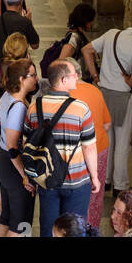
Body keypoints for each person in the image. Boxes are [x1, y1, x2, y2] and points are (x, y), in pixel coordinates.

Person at [22, 60, 100, 237]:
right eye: (74, 75)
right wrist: (94, 177)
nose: (77, 78)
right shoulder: (81, 108)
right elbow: (89, 148)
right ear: (63, 80)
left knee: (48, 229)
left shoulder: (35, 107)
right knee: (74, 230)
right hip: (76, 180)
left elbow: (26, 144)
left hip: (46, 179)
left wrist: (29, 177)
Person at [81, 17, 132, 192]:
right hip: (122, 97)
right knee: (122, 143)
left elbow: (86, 50)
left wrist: (95, 76)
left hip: (104, 94)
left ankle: (105, 179)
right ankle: (120, 184)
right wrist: (130, 82)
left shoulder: (111, 34)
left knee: (108, 139)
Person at [0, 58, 39, 237]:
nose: (36, 79)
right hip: (13, 167)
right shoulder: (18, 107)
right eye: (33, 75)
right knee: (21, 224)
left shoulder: (7, 95)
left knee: (7, 218)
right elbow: (13, 147)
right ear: (21, 79)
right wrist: (25, 176)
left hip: (1, 161)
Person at [69, 59, 111, 229]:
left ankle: (71, 228)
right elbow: (107, 124)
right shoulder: (95, 91)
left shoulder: (62, 93)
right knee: (95, 194)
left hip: (73, 154)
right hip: (98, 148)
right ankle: (91, 228)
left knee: (73, 195)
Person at [0, 0, 40, 65]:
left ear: (5, 1)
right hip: (19, 66)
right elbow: (35, 45)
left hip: (1, 66)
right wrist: (30, 21)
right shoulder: (25, 22)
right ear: (21, 3)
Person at [56, 4, 98, 71]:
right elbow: (60, 64)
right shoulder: (74, 38)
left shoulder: (78, 35)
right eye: (91, 20)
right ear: (85, 20)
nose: (92, 23)